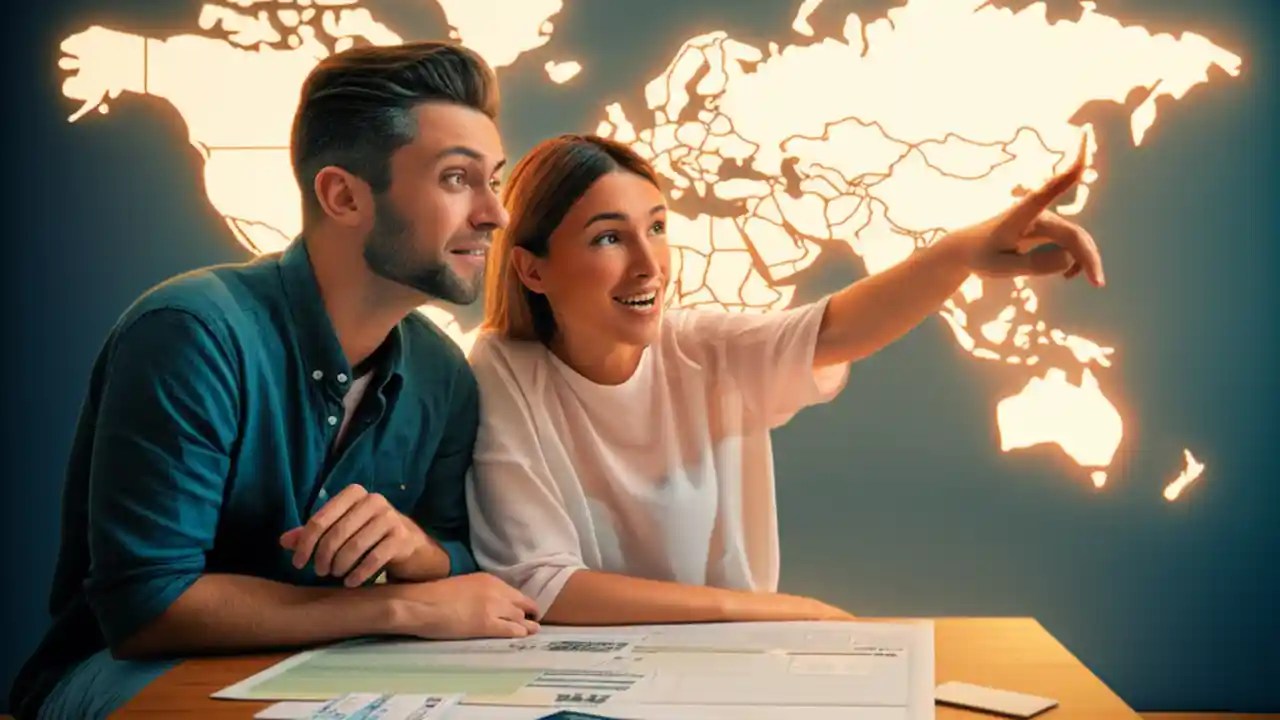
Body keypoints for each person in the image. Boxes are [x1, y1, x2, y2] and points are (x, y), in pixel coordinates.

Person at [10, 42, 540, 720]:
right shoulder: (192, 332)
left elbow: (460, 559)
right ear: (343, 195)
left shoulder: (442, 373)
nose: (494, 213)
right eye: (457, 179)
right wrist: (397, 604)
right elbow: (148, 609)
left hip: (327, 670)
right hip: (122, 676)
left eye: (493, 179)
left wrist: (417, 552)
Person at [467, 133, 1102, 625]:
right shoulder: (502, 368)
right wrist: (786, 611)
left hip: (737, 664)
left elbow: (837, 330)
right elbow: (541, 584)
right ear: (532, 271)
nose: (648, 266)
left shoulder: (701, 347)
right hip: (585, 674)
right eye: (609, 238)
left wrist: (961, 253)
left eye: (657, 228)